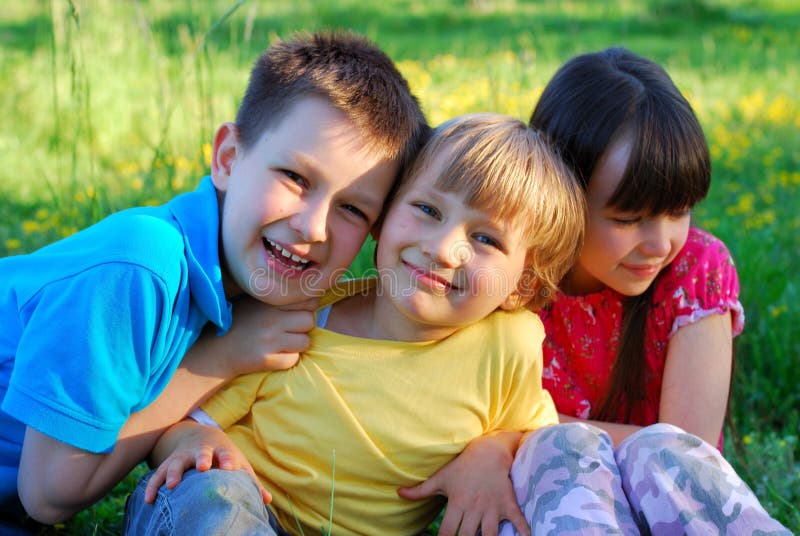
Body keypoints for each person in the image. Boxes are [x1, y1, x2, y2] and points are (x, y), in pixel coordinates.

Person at [0, 30, 428, 529]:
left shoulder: (237, 284)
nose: (313, 228)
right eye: (295, 177)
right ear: (227, 157)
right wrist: (218, 360)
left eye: (352, 208)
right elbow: (49, 492)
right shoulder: (143, 266)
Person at [121, 113, 587, 536]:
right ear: (382, 219)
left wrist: (494, 451)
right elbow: (180, 425)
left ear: (522, 285)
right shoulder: (299, 316)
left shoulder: (507, 345)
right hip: (235, 506)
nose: (443, 249)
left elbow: (534, 433)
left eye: (485, 238)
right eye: (427, 210)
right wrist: (200, 440)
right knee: (214, 499)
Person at [498, 47, 790, 534]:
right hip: (552, 502)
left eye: (678, 211)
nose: (660, 244)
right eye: (628, 219)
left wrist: (512, 435)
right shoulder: (511, 281)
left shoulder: (695, 270)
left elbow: (685, 454)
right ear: (558, 195)